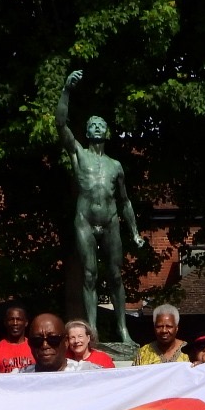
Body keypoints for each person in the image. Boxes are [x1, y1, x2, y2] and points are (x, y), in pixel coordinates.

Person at [57, 70, 146, 344]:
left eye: (101, 125)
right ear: (86, 131)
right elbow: (61, 124)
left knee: (116, 275)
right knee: (89, 275)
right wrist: (67, 90)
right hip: (85, 220)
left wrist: (134, 232)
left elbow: (125, 200)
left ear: (106, 131)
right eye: (92, 124)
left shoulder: (115, 165)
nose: (96, 127)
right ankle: (92, 332)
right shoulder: (78, 154)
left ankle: (122, 330)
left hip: (110, 221)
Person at [21, 313, 103, 373]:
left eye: (53, 339)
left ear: (66, 342)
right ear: (30, 344)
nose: (45, 345)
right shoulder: (18, 379)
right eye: (37, 340)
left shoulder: (90, 373)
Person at [0, 304, 34, 373]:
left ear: (26, 322)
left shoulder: (35, 347)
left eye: (19, 319)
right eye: (11, 319)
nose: (15, 323)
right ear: (5, 322)